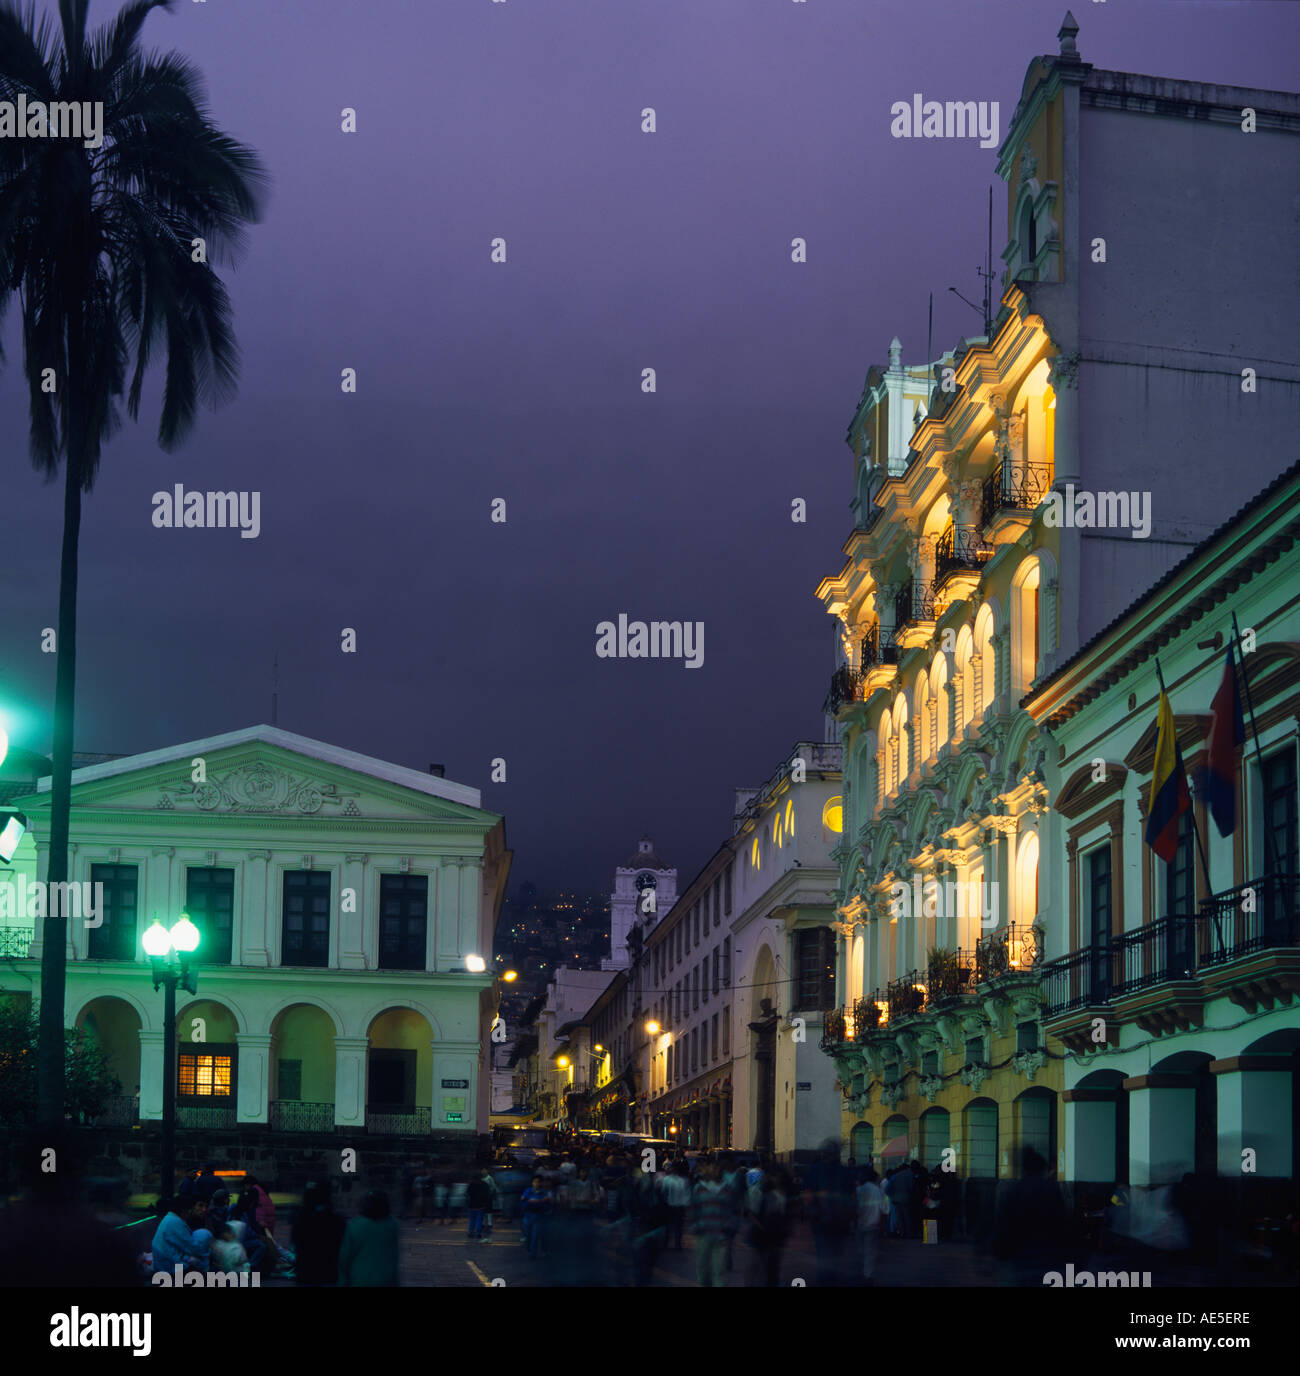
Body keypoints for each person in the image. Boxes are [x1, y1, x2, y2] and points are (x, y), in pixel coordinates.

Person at [992, 1146, 1070, 1285]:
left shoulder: (1012, 1189)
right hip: (1048, 1254)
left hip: (1019, 1255)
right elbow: (1062, 1222)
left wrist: (1000, 1251)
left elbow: (1004, 1224)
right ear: (1042, 1169)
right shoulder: (1053, 1189)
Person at [338, 1190, 401, 1287]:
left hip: (360, 1278)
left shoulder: (355, 1225)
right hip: (387, 1278)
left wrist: (342, 1281)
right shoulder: (393, 1224)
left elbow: (345, 1257)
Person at [293, 1182, 346, 1286]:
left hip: (306, 1274)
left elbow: (297, 1243)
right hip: (328, 1274)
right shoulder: (336, 1221)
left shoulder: (302, 1219)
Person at [691, 1161, 731, 1288]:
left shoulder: (726, 1188)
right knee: (703, 1269)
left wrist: (728, 1226)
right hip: (703, 1234)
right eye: (712, 1167)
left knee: (718, 1271)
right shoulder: (699, 1187)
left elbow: (731, 1210)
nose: (715, 1170)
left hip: (720, 1234)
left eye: (717, 1168)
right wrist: (697, 1226)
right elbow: (694, 1209)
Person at [150, 1198, 206, 1277]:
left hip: (164, 1263)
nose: (204, 1209)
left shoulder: (169, 1218)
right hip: (170, 1267)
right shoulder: (175, 1222)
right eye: (200, 1206)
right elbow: (191, 1246)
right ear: (184, 1210)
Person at [856, 1166, 886, 1283]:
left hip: (860, 1224)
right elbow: (884, 1210)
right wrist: (882, 1226)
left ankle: (862, 1271)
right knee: (870, 1251)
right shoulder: (879, 1191)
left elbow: (854, 1207)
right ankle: (868, 1275)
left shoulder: (859, 1190)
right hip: (874, 1224)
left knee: (861, 1250)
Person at [660, 1162, 691, 1250]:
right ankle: (677, 1244)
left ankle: (667, 1244)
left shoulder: (666, 1180)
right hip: (678, 1206)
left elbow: (663, 1192)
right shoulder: (682, 1180)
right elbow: (687, 1194)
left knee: (668, 1226)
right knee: (678, 1226)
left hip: (670, 1205)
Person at [520, 1174, 552, 1259]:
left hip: (538, 1217)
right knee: (528, 1235)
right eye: (535, 1182)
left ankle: (532, 1254)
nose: (536, 1184)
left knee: (535, 1236)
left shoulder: (543, 1192)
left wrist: (537, 1203)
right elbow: (523, 1202)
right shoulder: (528, 1191)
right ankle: (530, 1250)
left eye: (538, 1182)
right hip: (528, 1216)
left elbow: (547, 1205)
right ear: (532, 1183)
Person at [466, 1171, 492, 1240]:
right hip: (481, 1205)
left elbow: (468, 1194)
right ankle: (478, 1233)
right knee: (479, 1220)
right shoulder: (484, 1184)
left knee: (472, 1219)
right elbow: (488, 1195)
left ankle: (470, 1232)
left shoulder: (471, 1184)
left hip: (472, 1204)